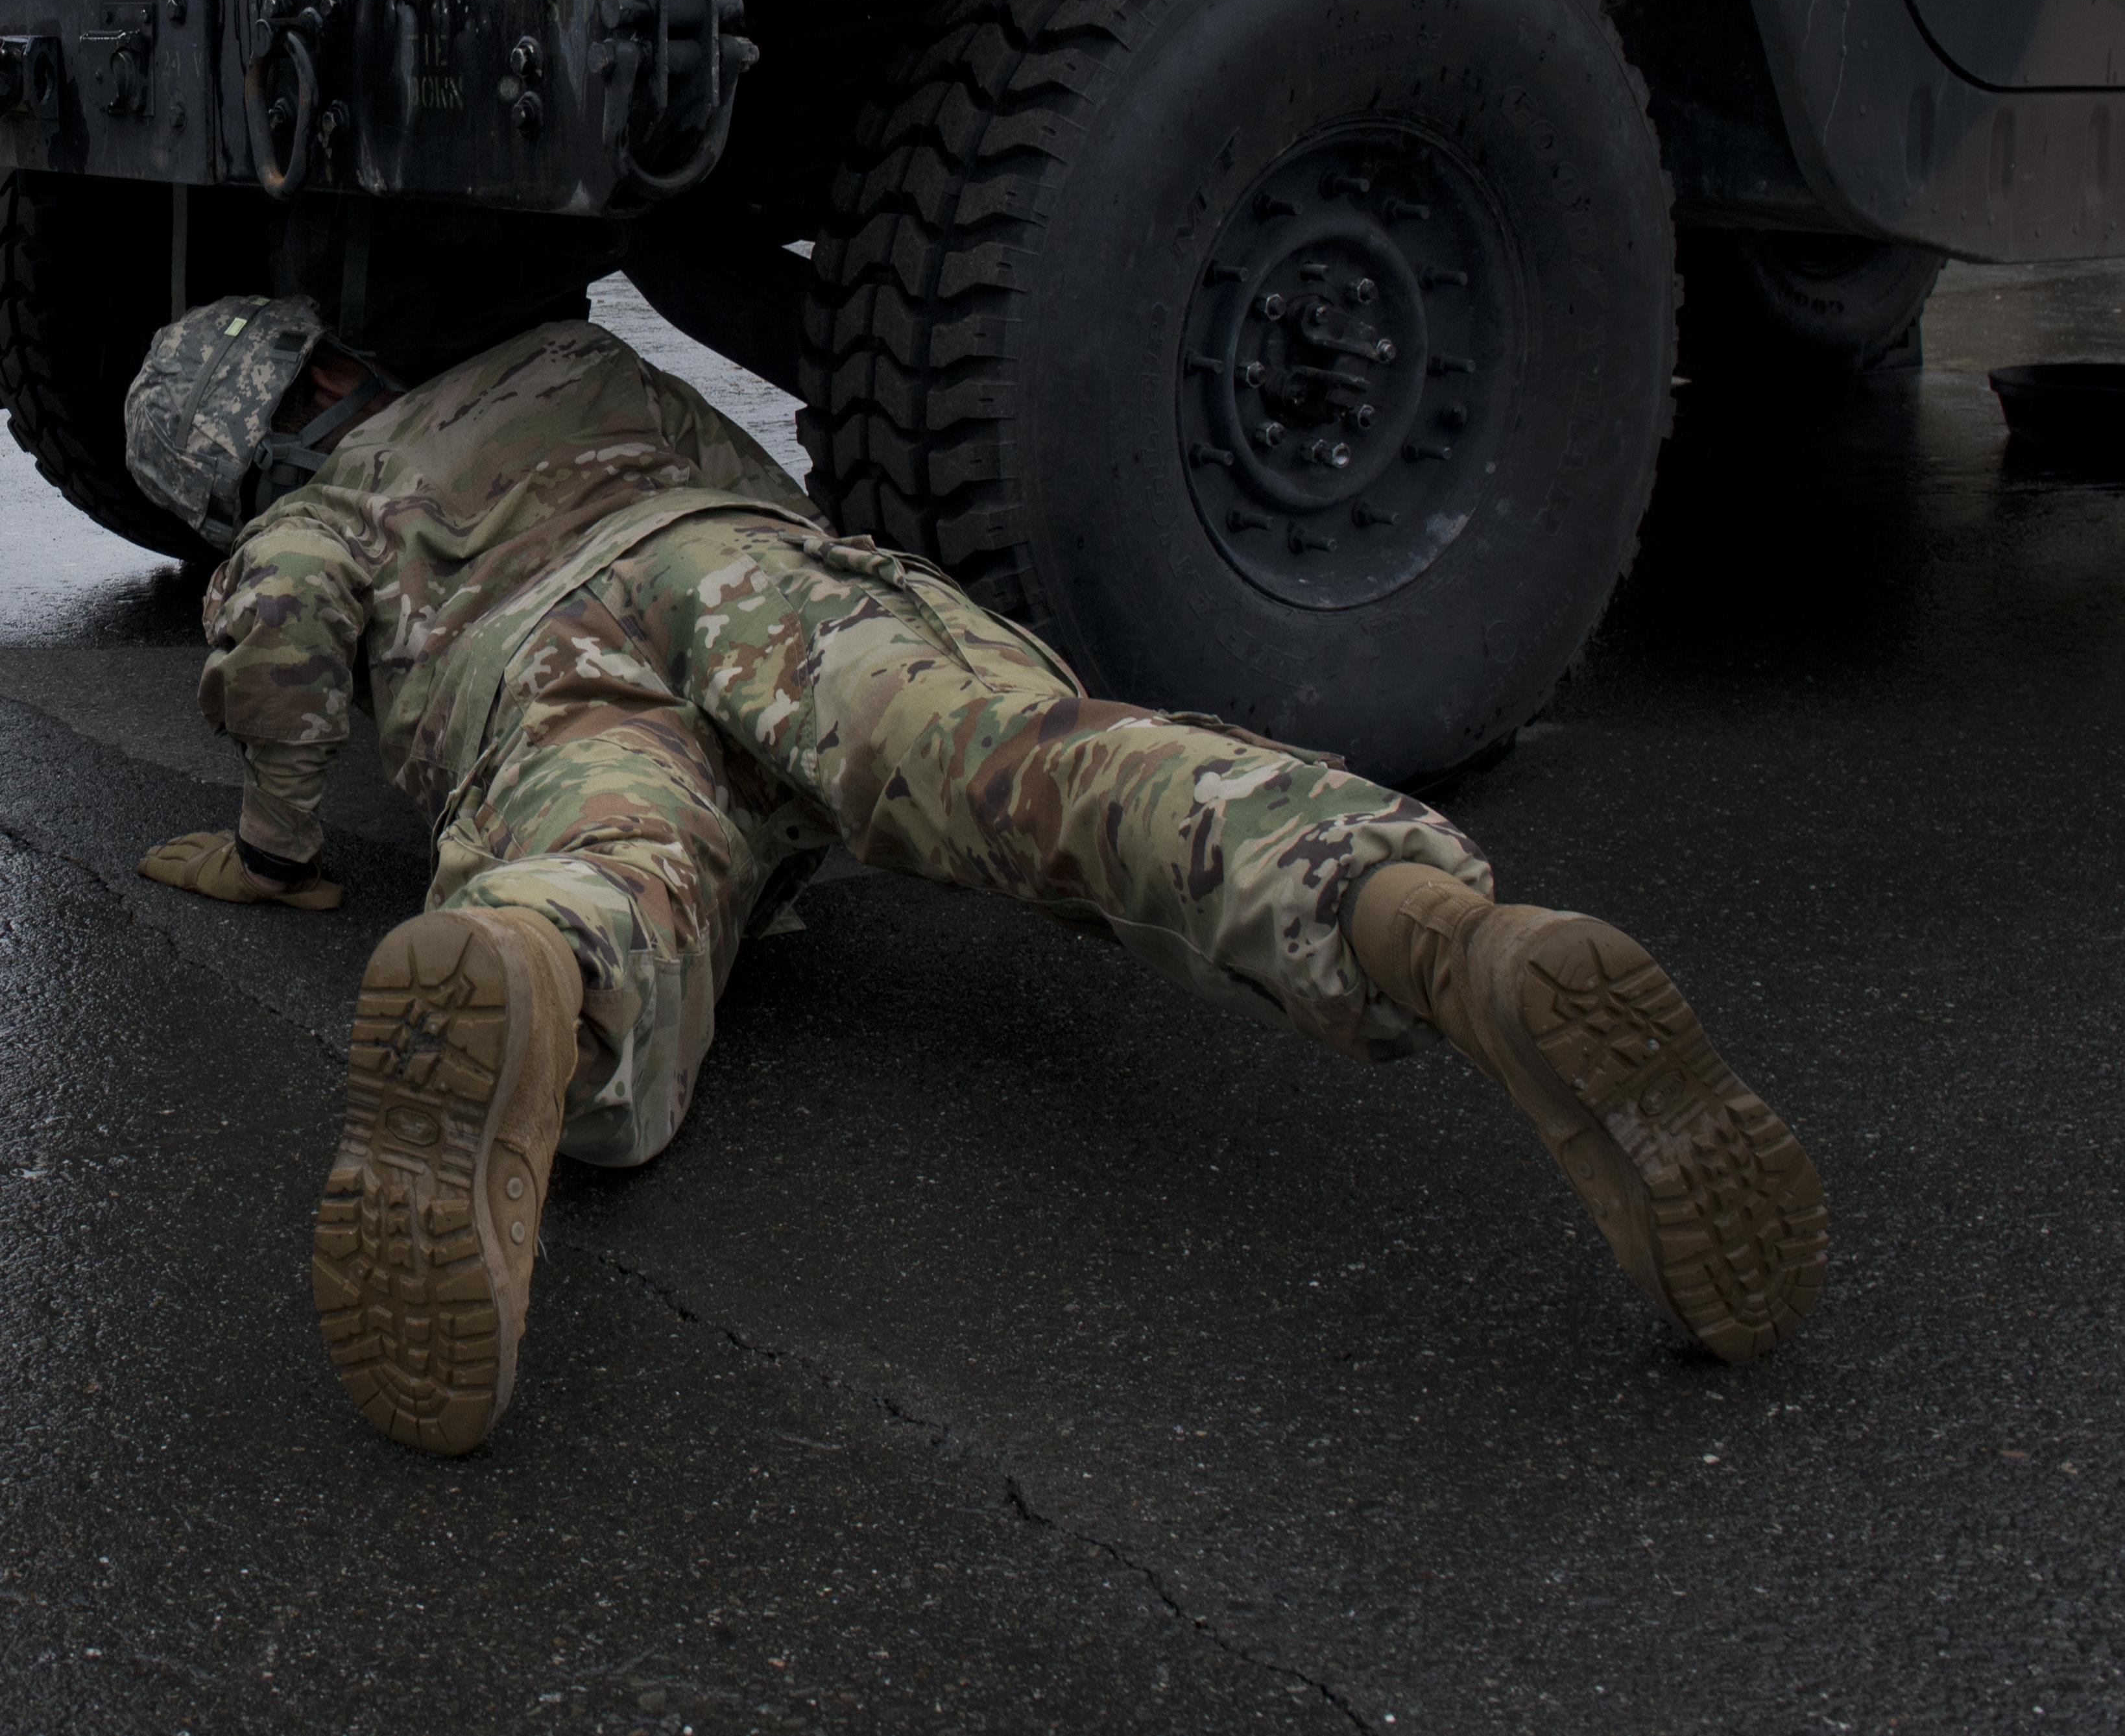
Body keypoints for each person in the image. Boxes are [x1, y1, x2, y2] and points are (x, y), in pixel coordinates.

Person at [123, 295, 1831, 1456]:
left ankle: (531, 975)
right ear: (325, 353)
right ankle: (1434, 931)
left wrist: (273, 842)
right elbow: (748, 479)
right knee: (1042, 772)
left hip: (533, 672)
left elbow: (278, 628)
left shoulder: (333, 505)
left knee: (607, 866)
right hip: (748, 585)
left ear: (225, 468)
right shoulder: (562, 361)